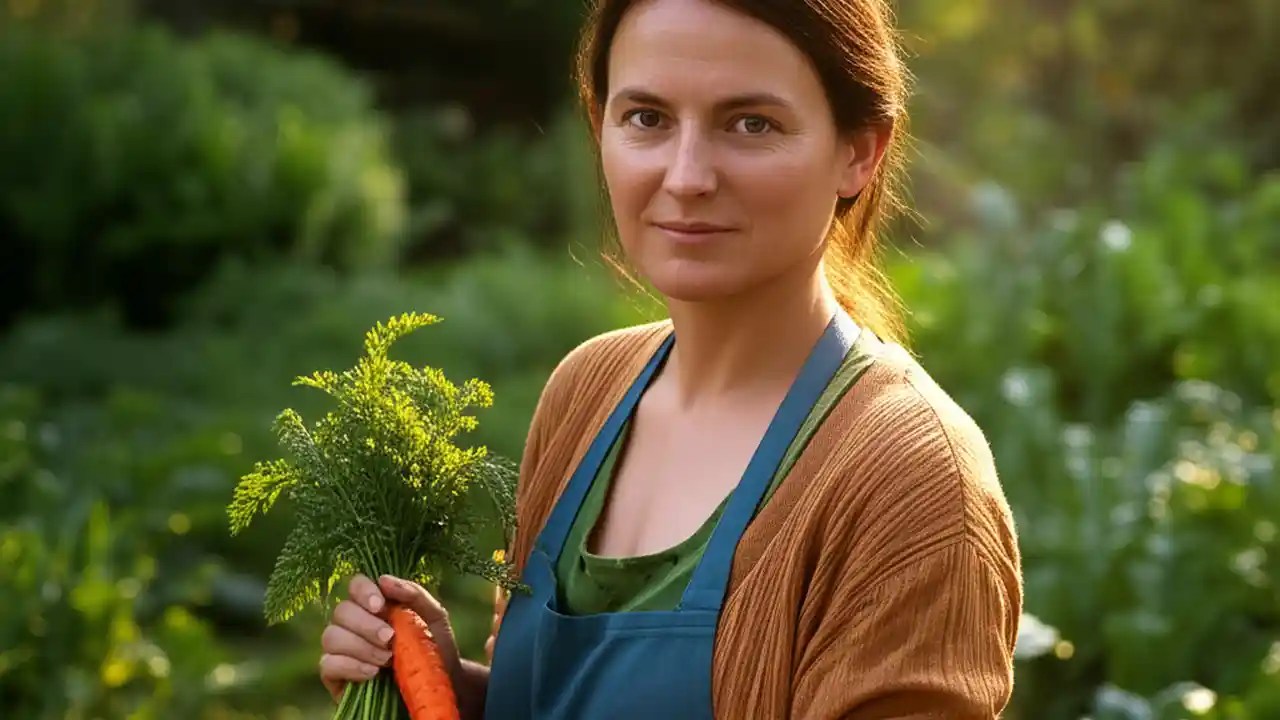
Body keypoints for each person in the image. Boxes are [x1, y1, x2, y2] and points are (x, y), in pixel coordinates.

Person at [318, 0, 1023, 717]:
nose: (686, 176)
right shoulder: (586, 393)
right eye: (647, 119)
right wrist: (442, 691)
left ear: (859, 152)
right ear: (601, 130)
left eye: (751, 124)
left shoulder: (911, 480)